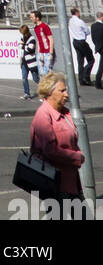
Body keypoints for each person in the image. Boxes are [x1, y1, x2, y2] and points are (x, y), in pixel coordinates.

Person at [30, 71, 85, 217]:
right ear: (50, 92)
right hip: (54, 184)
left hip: (71, 182)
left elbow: (72, 140)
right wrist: (77, 157)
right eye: (62, 90)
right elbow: (50, 150)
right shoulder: (43, 115)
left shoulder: (65, 113)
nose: (66, 94)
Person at [69, 7, 94, 85]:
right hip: (81, 41)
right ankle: (85, 76)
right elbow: (87, 31)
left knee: (80, 61)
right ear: (77, 12)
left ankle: (81, 79)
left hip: (75, 42)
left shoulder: (70, 21)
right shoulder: (80, 21)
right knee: (91, 60)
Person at [30, 11, 54, 76]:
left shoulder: (44, 26)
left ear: (37, 18)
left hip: (47, 52)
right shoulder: (36, 28)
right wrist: (39, 52)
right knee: (41, 73)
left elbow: (51, 39)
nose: (31, 18)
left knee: (47, 72)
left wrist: (51, 53)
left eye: (32, 17)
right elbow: (38, 40)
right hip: (41, 52)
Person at [18, 24, 38, 100]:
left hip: (31, 62)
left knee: (36, 79)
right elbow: (20, 47)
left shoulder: (32, 39)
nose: (22, 34)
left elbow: (31, 49)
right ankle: (27, 93)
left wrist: (23, 46)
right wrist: (20, 60)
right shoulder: (22, 38)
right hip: (24, 61)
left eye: (23, 33)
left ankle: (46, 91)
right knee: (24, 78)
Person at [91, 11, 103, 90]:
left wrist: (97, 46)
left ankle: (98, 82)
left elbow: (93, 37)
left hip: (99, 47)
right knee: (101, 66)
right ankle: (98, 82)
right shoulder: (102, 26)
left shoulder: (93, 26)